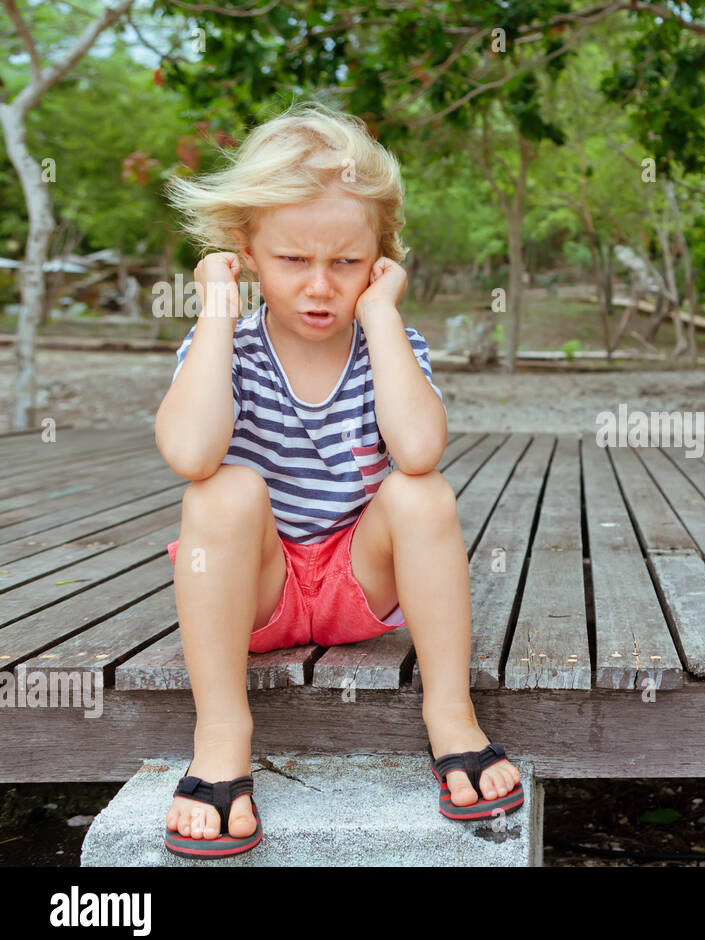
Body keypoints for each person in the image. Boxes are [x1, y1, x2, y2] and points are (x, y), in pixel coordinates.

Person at [154, 101, 522, 858]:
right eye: (293, 260)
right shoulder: (228, 343)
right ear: (246, 251)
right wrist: (219, 314)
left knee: (421, 492)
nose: (320, 287)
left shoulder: (391, 341)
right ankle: (222, 733)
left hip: (359, 584)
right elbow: (191, 454)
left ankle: (450, 712)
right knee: (220, 488)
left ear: (380, 258)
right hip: (260, 588)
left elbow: (418, 450)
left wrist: (384, 317)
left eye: (347, 263)